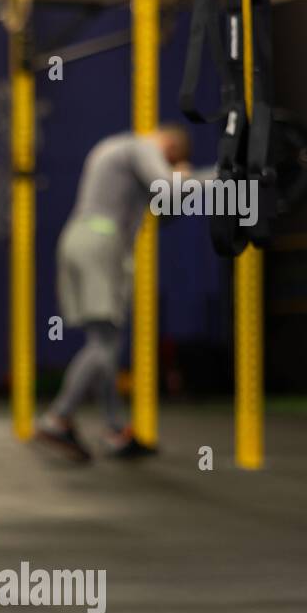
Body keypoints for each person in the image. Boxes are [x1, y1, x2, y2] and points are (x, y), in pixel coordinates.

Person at [34, 125, 195, 462]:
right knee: (104, 344)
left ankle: (114, 430)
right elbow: (167, 188)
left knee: (105, 340)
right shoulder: (140, 148)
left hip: (78, 238)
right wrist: (190, 176)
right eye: (171, 159)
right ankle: (57, 418)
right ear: (169, 147)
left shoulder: (111, 148)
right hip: (101, 243)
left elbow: (162, 207)